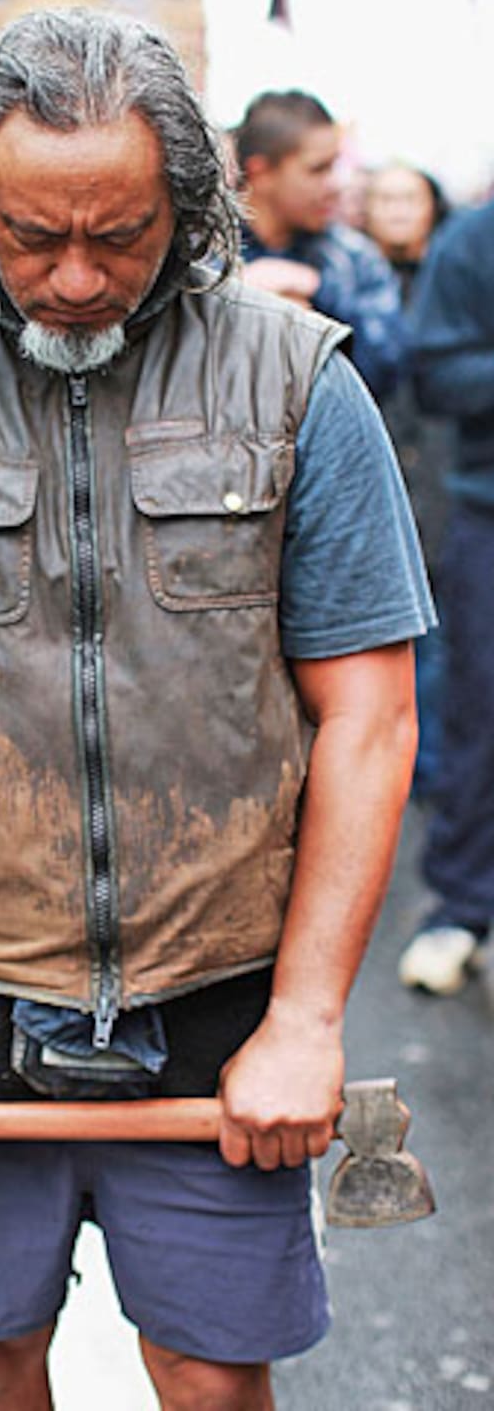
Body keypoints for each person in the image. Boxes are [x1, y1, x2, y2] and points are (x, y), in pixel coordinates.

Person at [0, 11, 433, 1408]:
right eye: (29, 234)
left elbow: (369, 719)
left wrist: (304, 1018)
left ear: (187, 209)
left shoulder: (301, 386)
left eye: (117, 237)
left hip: (219, 1004)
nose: (72, 278)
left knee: (212, 1370)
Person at [396, 195, 494, 996]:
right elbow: (435, 373)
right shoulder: (471, 244)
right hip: (489, 517)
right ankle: (460, 908)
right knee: (480, 718)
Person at [362, 163, 453, 801]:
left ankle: (434, 765)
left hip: (442, 467)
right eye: (384, 199)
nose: (396, 210)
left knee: (443, 623)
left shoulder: (450, 277)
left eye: (408, 198)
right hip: (379, 463)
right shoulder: (351, 279)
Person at [235, 90, 406, 401]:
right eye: (318, 169)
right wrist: (236, 299)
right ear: (261, 172)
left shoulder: (355, 259)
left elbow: (386, 371)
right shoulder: (201, 258)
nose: (335, 184)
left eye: (335, 166)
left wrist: (322, 293)